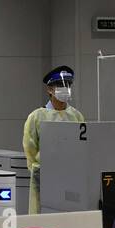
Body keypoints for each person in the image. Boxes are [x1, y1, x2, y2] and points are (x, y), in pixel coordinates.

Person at [22, 66, 84, 214]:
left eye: (68, 85)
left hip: (71, 175)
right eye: (61, 85)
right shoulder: (36, 117)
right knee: (43, 216)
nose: (66, 88)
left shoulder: (76, 116)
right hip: (44, 176)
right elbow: (30, 150)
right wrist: (39, 170)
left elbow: (83, 146)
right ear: (50, 90)